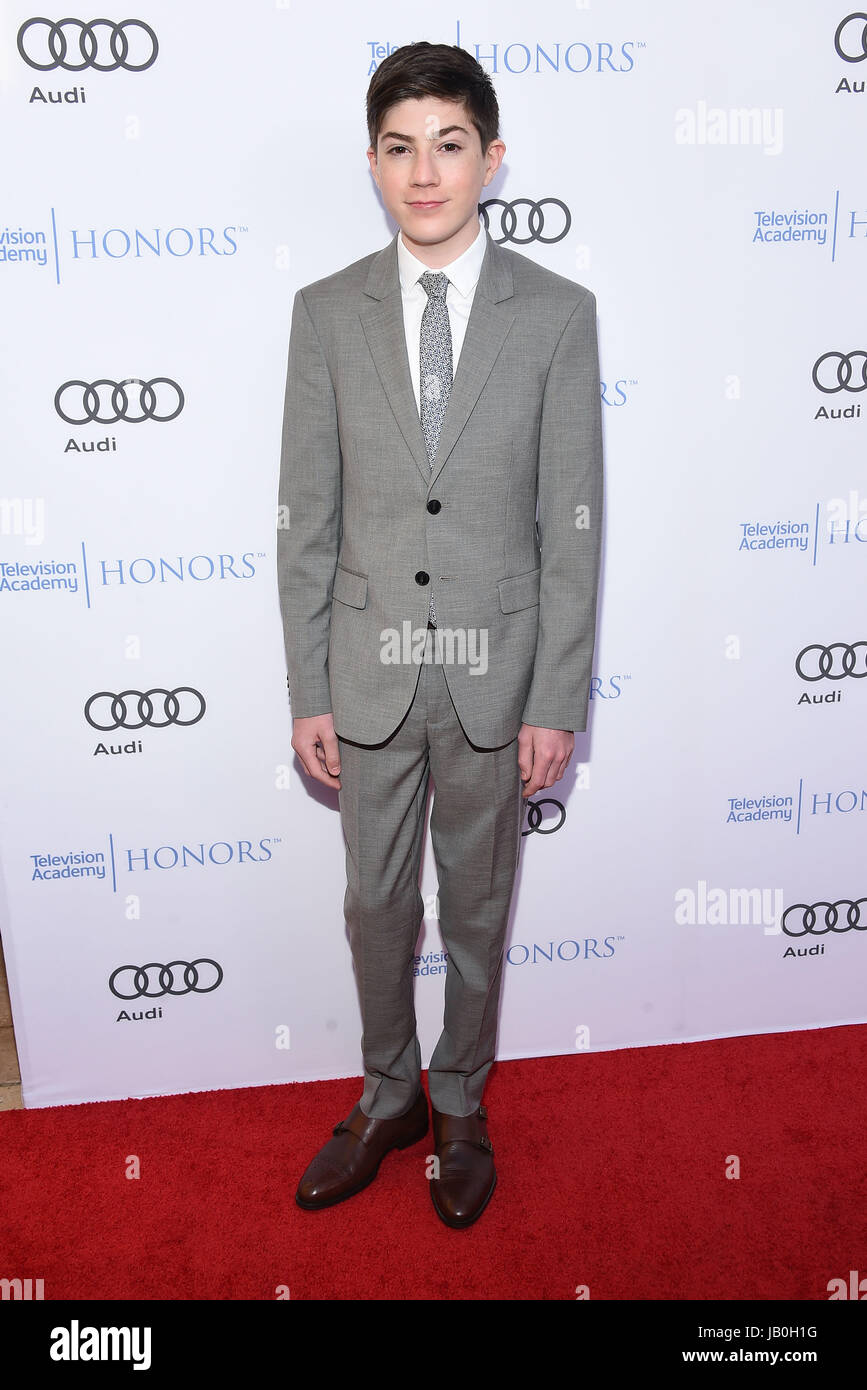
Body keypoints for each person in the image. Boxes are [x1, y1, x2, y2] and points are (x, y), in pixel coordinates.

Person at [277, 40, 603, 1228]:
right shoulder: (323, 315)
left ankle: (459, 1099)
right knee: (375, 903)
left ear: (492, 159)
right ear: (373, 164)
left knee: (476, 899)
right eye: (402, 149)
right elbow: (307, 519)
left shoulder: (561, 318)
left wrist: (555, 697)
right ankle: (387, 1093)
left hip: (496, 673)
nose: (427, 173)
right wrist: (309, 683)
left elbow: (573, 524)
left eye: (450, 146)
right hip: (365, 672)